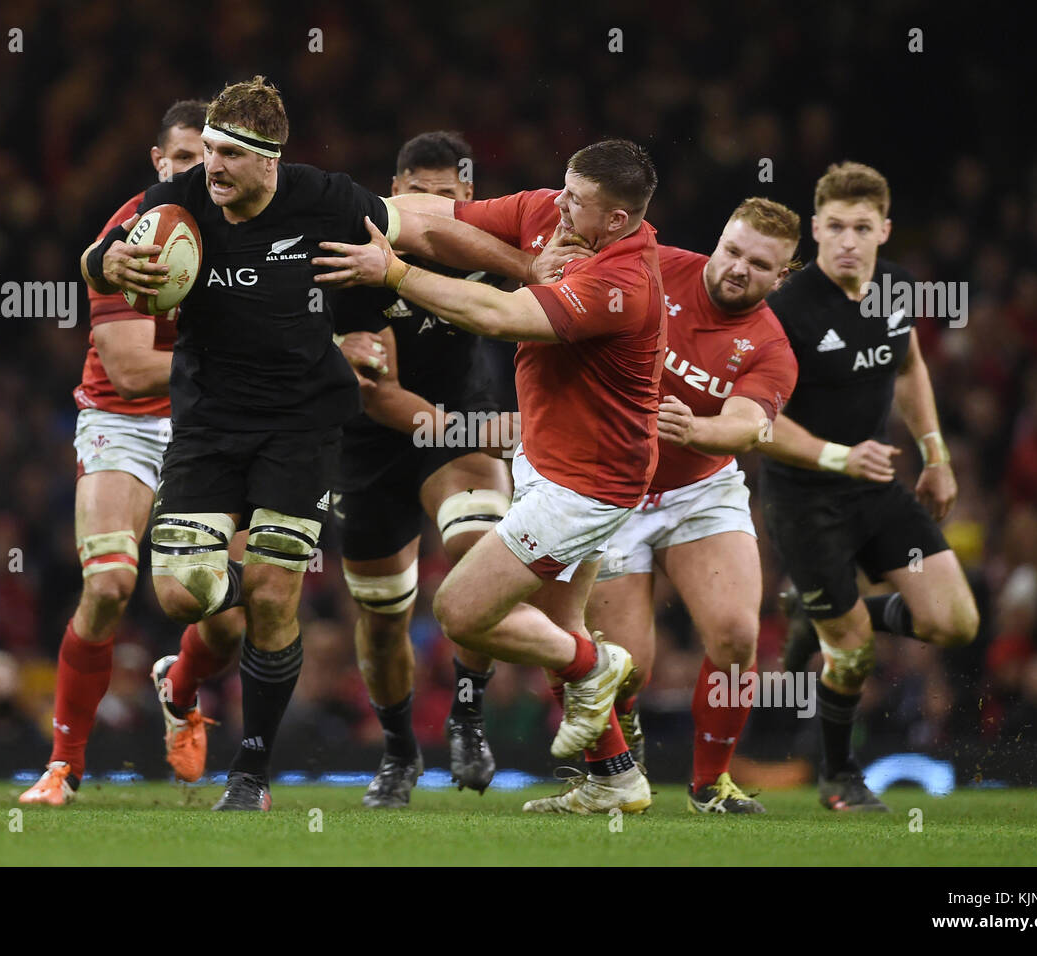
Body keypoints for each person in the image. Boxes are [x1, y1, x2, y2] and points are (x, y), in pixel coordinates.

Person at [81, 77, 561, 812]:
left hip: (302, 427)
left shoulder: (325, 199)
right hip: (210, 427)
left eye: (230, 154)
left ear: (273, 160)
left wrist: (529, 271)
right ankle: (271, 638)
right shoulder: (176, 207)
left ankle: (252, 774)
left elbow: (427, 231)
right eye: (207, 149)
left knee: (278, 596)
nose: (212, 166)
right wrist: (105, 264)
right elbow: (98, 258)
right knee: (183, 594)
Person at [316, 139, 666, 813]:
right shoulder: (552, 218)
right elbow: (437, 222)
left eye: (577, 202)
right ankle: (614, 778)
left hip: (587, 482)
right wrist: (351, 209)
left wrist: (391, 273)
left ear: (617, 221)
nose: (557, 205)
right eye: (562, 190)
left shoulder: (620, 281)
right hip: (548, 461)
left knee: (463, 611)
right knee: (557, 627)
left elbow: (500, 315)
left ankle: (598, 671)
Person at [19, 101, 247, 807]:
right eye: (179, 158)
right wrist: (244, 360)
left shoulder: (251, 229)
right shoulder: (132, 234)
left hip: (210, 427)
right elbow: (129, 370)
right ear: (159, 162)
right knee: (112, 583)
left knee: (229, 620)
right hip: (125, 423)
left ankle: (179, 688)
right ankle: (64, 767)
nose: (194, 172)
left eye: (207, 159)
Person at [761, 161, 980, 811]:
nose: (848, 241)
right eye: (834, 227)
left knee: (956, 622)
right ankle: (839, 775)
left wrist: (935, 454)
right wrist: (836, 456)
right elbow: (758, 424)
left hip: (875, 483)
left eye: (861, 227)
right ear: (816, 231)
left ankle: (818, 611)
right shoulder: (786, 310)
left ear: (884, 230)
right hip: (805, 500)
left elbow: (908, 363)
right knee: (851, 652)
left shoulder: (896, 288)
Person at [582, 198, 801, 814]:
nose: (738, 268)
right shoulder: (652, 267)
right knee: (625, 669)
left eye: (759, 264)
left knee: (735, 634)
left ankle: (711, 785)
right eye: (732, 250)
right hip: (608, 486)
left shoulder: (772, 348)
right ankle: (619, 769)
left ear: (780, 277)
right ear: (719, 240)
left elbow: (745, 426)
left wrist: (694, 429)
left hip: (698, 488)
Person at [331, 132, 517, 807]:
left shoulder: (492, 250)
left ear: (469, 198)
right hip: (372, 440)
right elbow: (379, 394)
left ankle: (467, 715)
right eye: (421, 197)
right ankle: (400, 751)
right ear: (396, 195)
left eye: (449, 197)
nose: (436, 209)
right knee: (383, 614)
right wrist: (486, 430)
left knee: (480, 559)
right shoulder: (358, 251)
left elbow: (547, 299)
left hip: (463, 422)